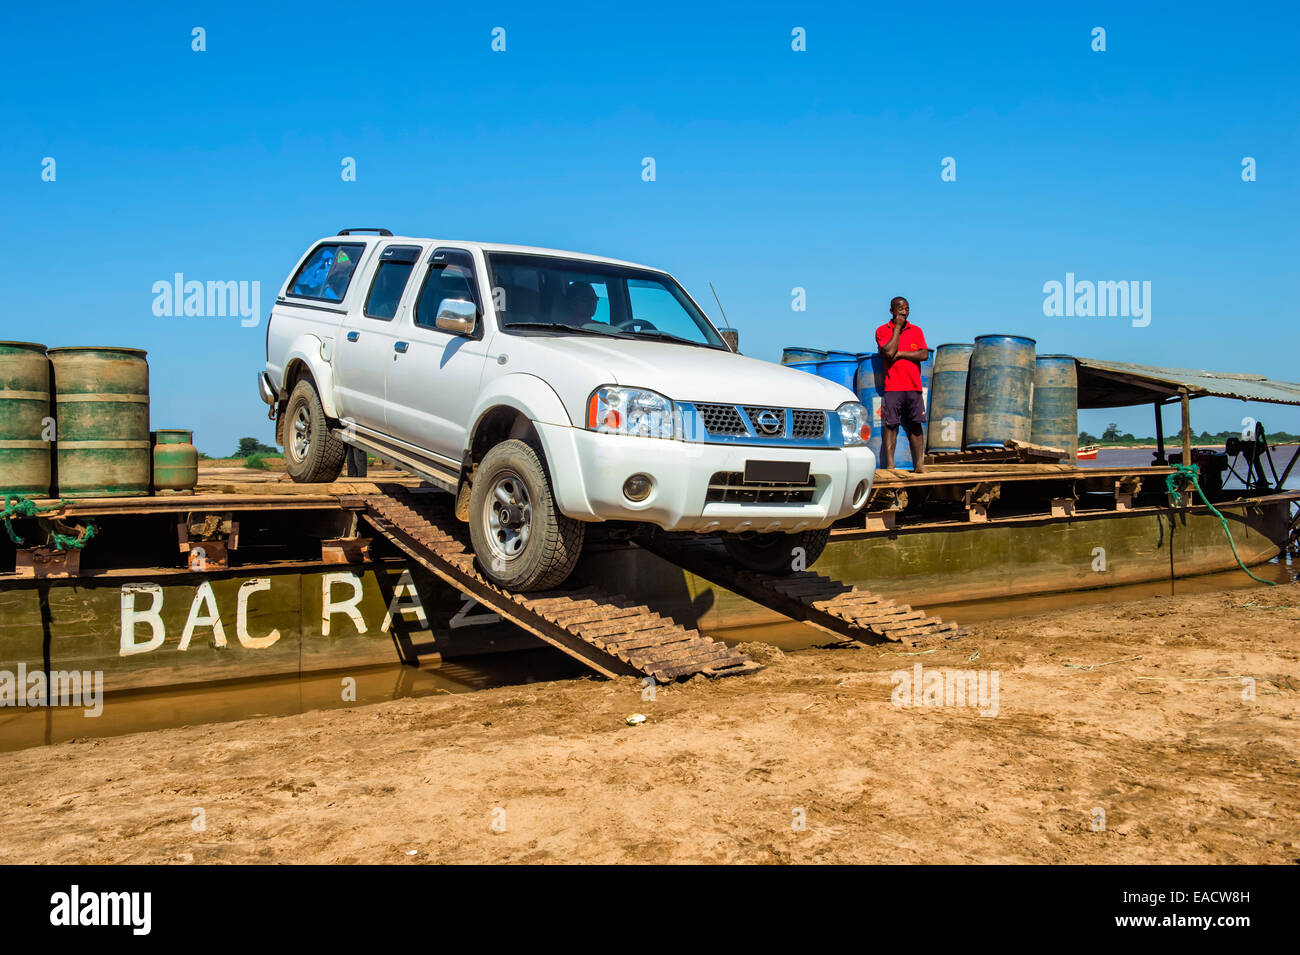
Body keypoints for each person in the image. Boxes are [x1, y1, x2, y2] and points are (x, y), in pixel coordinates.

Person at [875, 296, 930, 472]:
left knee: (916, 425)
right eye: (900, 308)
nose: (904, 311)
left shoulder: (917, 330)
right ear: (891, 311)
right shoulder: (882, 330)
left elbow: (924, 354)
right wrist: (897, 328)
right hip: (893, 387)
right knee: (891, 425)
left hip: (913, 386)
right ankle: (891, 465)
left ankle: (919, 465)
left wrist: (900, 354)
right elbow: (888, 352)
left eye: (906, 308)